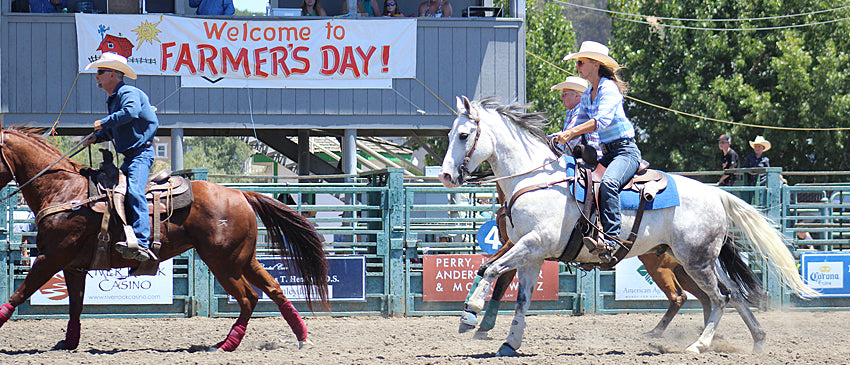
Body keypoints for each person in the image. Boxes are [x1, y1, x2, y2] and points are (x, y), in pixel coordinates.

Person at [555, 41, 641, 263]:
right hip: (609, 153)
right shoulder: (588, 95)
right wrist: (554, 138)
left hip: (625, 152)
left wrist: (569, 133)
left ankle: (612, 240)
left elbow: (600, 121)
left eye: (581, 62)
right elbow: (577, 126)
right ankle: (593, 231)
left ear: (595, 64)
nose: (577, 67)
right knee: (589, 184)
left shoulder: (608, 89)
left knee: (609, 183)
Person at [84, 52, 159, 262]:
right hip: (131, 157)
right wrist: (97, 137)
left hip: (140, 155)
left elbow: (131, 112)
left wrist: (104, 122)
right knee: (116, 193)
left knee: (135, 191)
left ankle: (142, 243)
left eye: (100, 72)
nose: (96, 76)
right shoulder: (115, 98)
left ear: (113, 74)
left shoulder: (128, 92)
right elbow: (116, 128)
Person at [547, 76, 602, 160]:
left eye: (564, 94)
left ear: (577, 96)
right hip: (582, 155)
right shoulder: (573, 111)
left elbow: (569, 137)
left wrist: (554, 150)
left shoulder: (581, 110)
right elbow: (564, 133)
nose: (561, 97)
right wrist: (544, 139)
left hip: (588, 158)